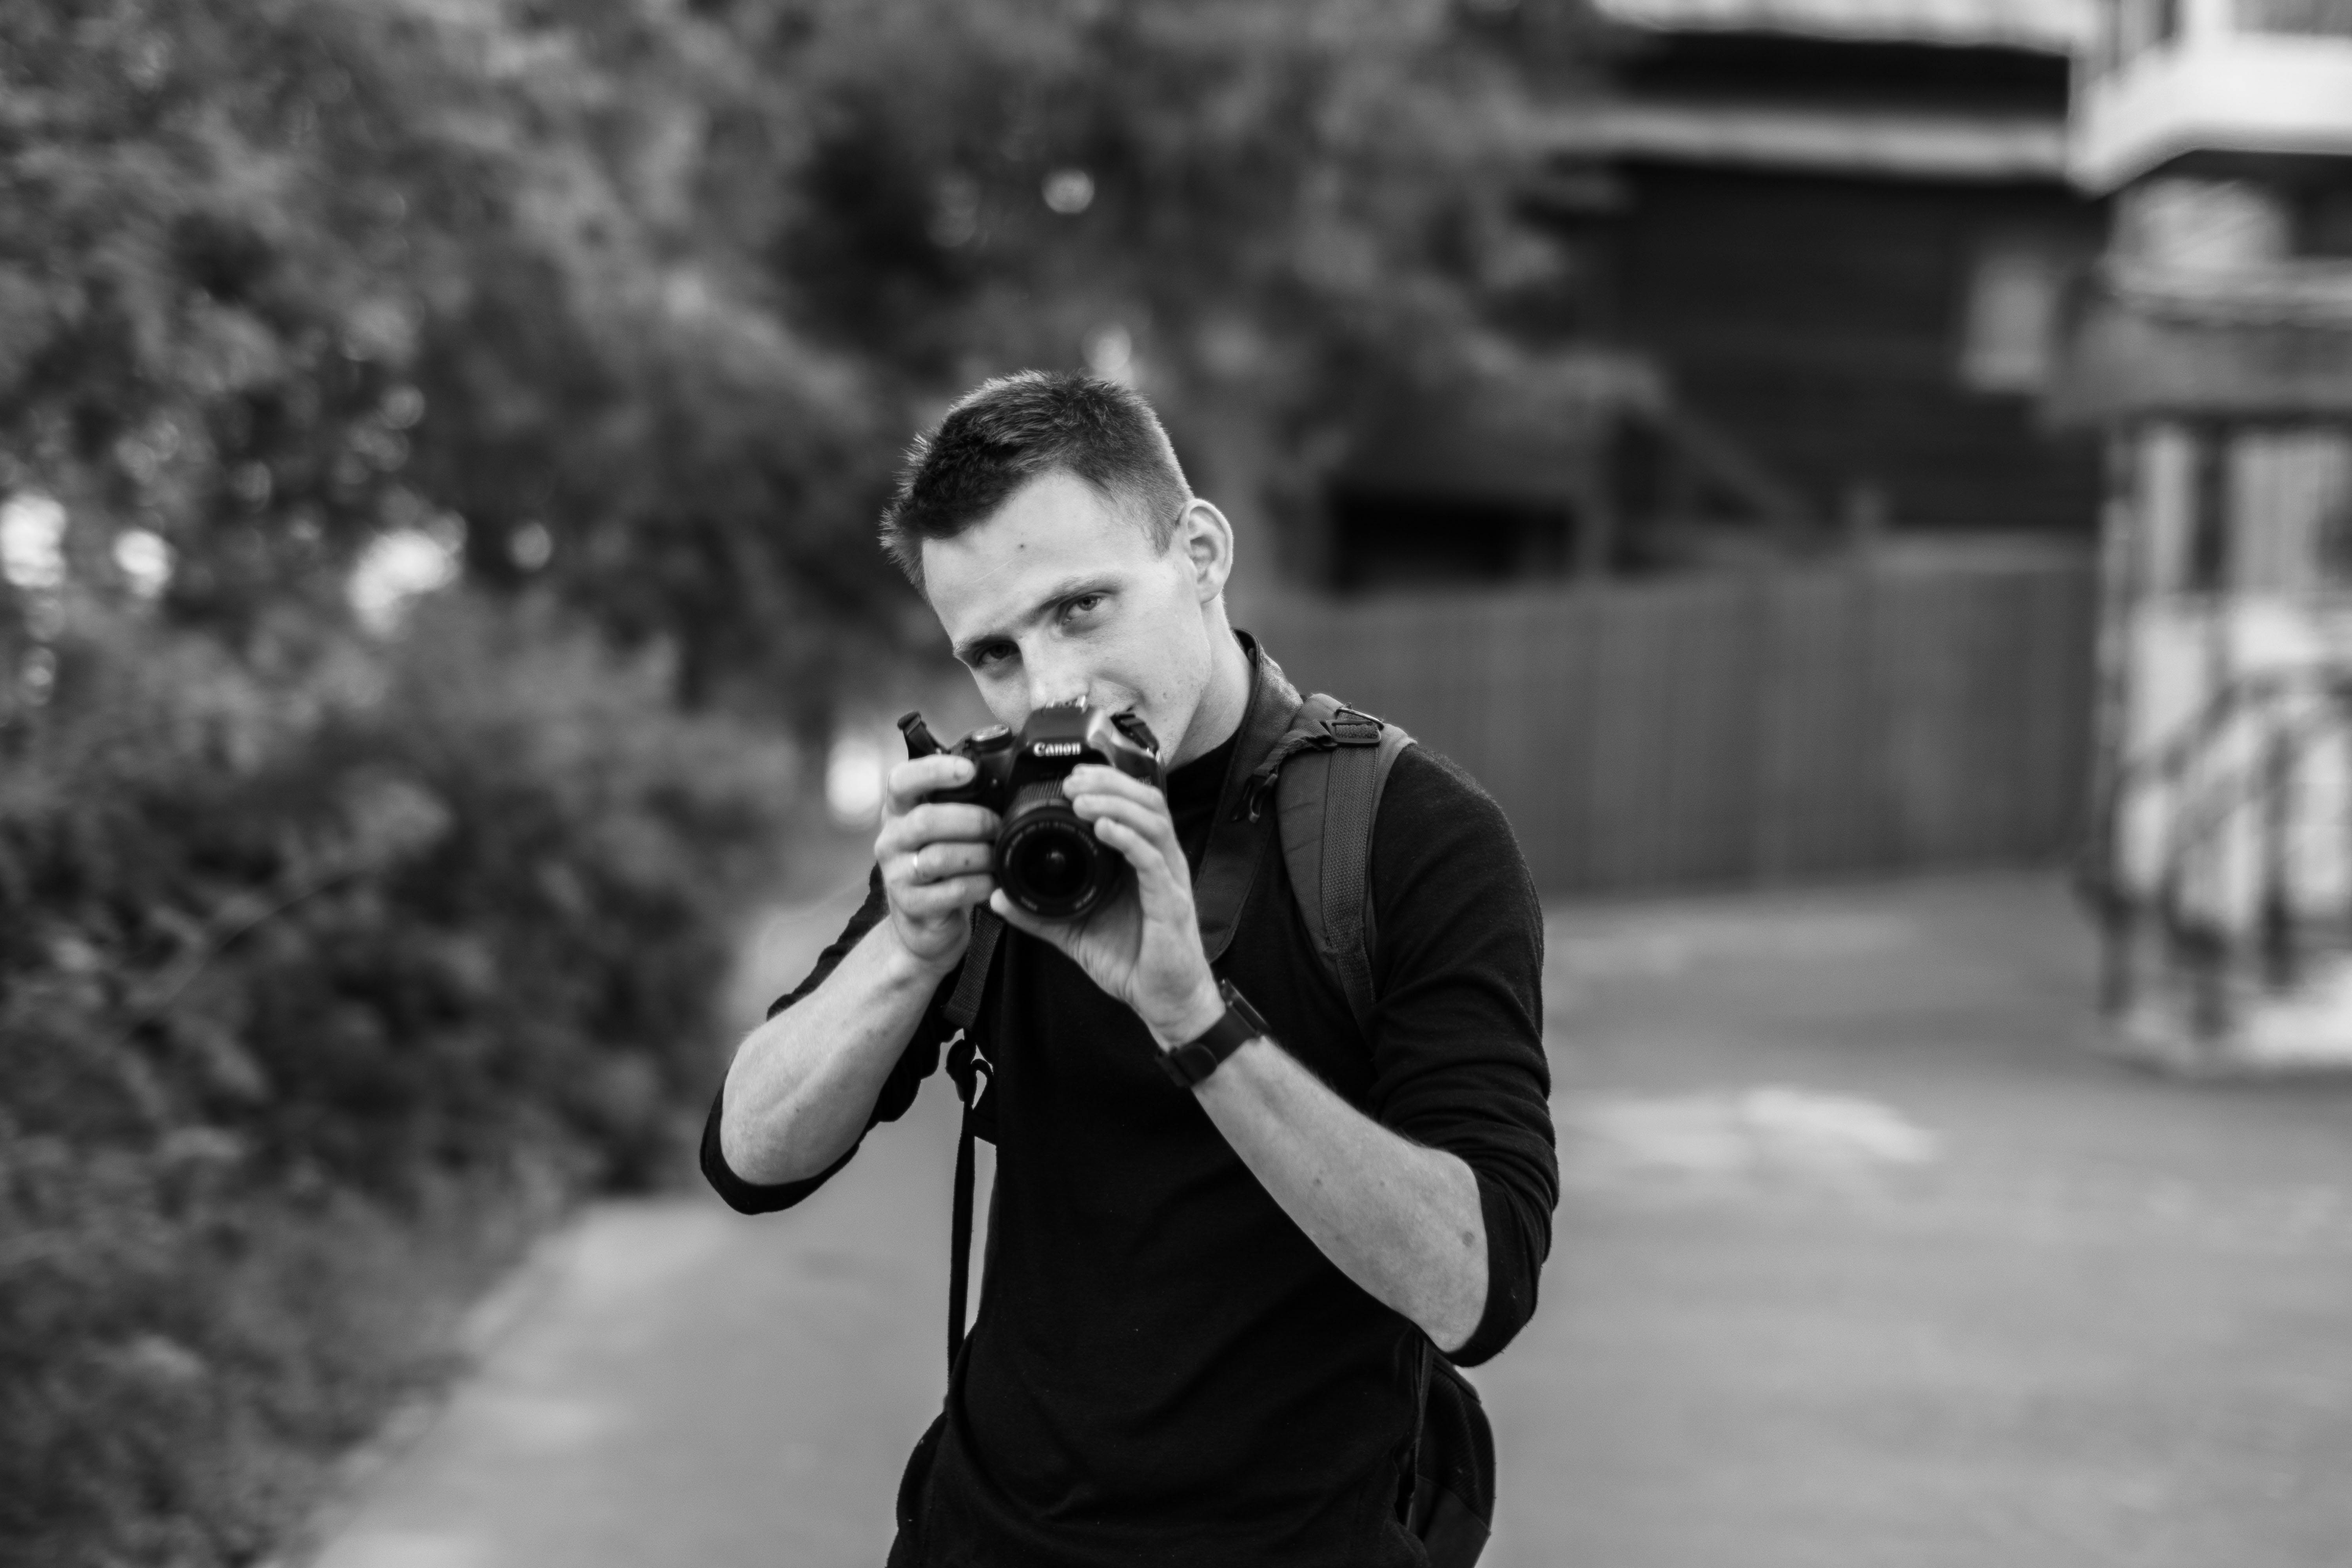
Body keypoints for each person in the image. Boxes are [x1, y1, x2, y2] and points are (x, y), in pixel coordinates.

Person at [702, 371, 1556, 1567]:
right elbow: (748, 1154)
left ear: (1200, 550)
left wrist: (1192, 1017)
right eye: (992, 652)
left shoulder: (1409, 835)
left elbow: (1478, 1286)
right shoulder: (999, 818)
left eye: (1082, 608)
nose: (1049, 686)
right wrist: (909, 945)